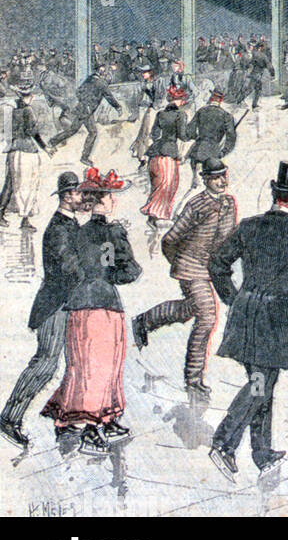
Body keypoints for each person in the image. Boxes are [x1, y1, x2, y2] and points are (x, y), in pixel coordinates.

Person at [208, 162, 288, 482]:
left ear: (275, 195)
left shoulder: (249, 226)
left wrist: (234, 299)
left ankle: (262, 453)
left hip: (246, 311)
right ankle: (224, 443)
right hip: (275, 319)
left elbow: (217, 264)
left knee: (262, 381)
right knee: (260, 383)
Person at [41, 168, 141, 457]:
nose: (114, 202)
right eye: (113, 197)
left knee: (86, 369)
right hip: (103, 306)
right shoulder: (111, 233)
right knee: (102, 368)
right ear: (107, 200)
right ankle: (88, 428)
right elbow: (125, 271)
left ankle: (104, 421)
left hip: (80, 306)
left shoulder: (79, 232)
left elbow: (81, 267)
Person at [132, 158, 239, 394]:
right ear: (205, 180)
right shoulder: (196, 205)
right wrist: (182, 265)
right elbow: (170, 240)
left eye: (224, 175)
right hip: (191, 267)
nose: (221, 181)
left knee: (191, 309)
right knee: (207, 317)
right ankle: (193, 379)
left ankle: (146, 320)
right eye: (215, 177)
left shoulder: (230, 204)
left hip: (211, 269)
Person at [0, 172, 85, 449]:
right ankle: (9, 418)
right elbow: (68, 266)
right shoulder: (59, 228)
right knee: (45, 364)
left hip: (66, 304)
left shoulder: (71, 225)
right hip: (54, 305)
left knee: (65, 365)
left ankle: (65, 422)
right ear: (66, 196)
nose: (81, 197)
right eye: (77, 193)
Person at [141, 86, 189, 253]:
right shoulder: (181, 115)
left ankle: (152, 222)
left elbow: (154, 135)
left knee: (157, 188)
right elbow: (183, 136)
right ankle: (158, 229)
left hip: (154, 156)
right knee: (167, 189)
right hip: (168, 156)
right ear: (181, 101)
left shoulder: (160, 114)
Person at [48, 64, 122, 164]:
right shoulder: (101, 84)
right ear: (102, 73)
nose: (105, 75)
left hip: (83, 109)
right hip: (86, 111)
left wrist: (85, 102)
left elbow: (78, 92)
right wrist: (118, 107)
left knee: (73, 130)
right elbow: (109, 97)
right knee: (91, 132)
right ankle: (84, 157)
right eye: (105, 72)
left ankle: (53, 142)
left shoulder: (90, 79)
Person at [0, 77, 48, 230]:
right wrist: (45, 148)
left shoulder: (12, 111)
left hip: (13, 152)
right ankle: (25, 220)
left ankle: (1, 213)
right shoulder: (28, 111)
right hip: (27, 152)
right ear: (28, 96)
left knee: (11, 184)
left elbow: (8, 133)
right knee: (28, 185)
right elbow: (34, 132)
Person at [186, 88, 237, 189]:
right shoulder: (226, 116)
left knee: (196, 185)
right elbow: (231, 137)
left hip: (198, 151)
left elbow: (189, 131)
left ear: (210, 98)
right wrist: (224, 152)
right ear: (221, 100)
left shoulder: (201, 111)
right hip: (213, 152)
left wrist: (197, 138)